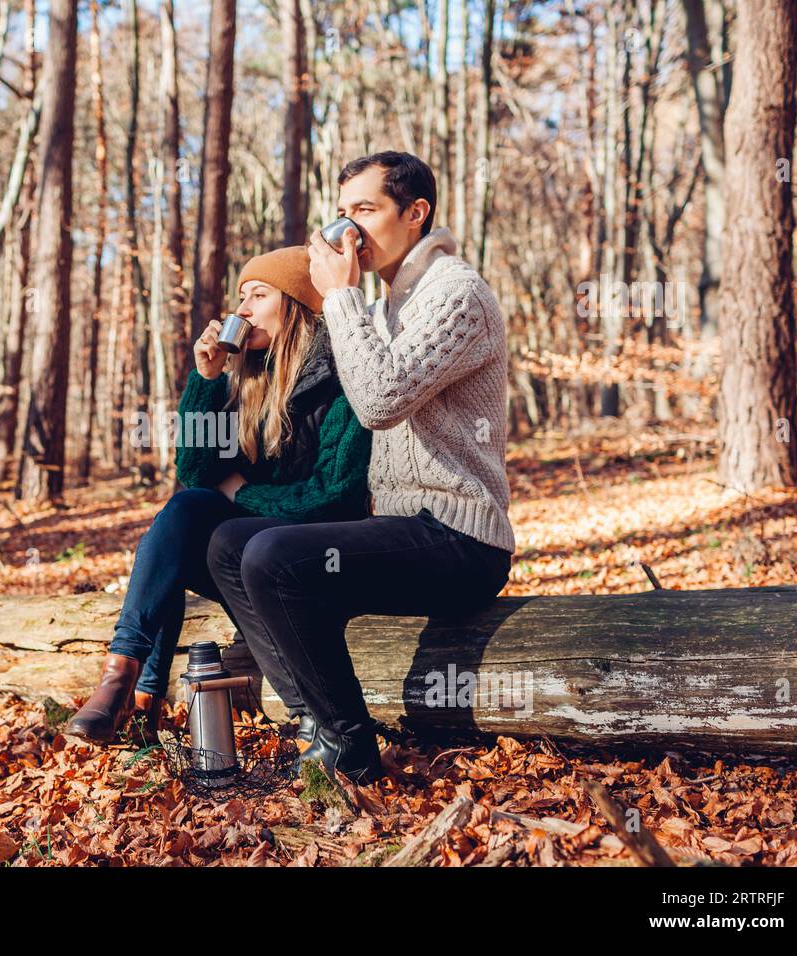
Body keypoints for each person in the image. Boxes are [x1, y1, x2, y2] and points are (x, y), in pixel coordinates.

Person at [206, 151, 516, 784]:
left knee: (273, 558)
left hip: (460, 539)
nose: (349, 229)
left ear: (415, 213)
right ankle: (312, 720)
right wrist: (220, 371)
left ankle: (349, 744)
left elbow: (379, 401)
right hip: (399, 534)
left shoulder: (457, 295)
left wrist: (342, 297)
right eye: (343, 212)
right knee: (229, 542)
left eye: (366, 211)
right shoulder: (379, 307)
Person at [63, 246, 371, 747]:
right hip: (242, 548)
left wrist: (244, 493)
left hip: (311, 558)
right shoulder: (250, 381)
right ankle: (128, 684)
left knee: (198, 524)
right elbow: (195, 473)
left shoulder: (340, 380)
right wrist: (205, 380)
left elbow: (332, 498)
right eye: (241, 296)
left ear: (295, 305)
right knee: (186, 511)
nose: (242, 309)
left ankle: (134, 691)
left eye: (259, 295)